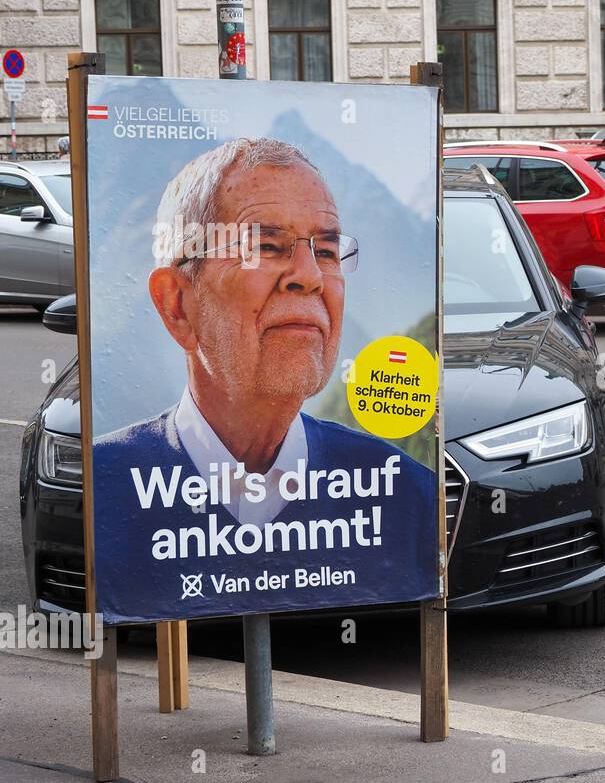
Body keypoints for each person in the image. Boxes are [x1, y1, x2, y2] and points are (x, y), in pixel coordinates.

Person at [92, 137, 438, 621]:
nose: (309, 276)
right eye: (266, 246)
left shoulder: (405, 494)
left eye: (327, 250)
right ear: (177, 304)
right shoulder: (104, 487)